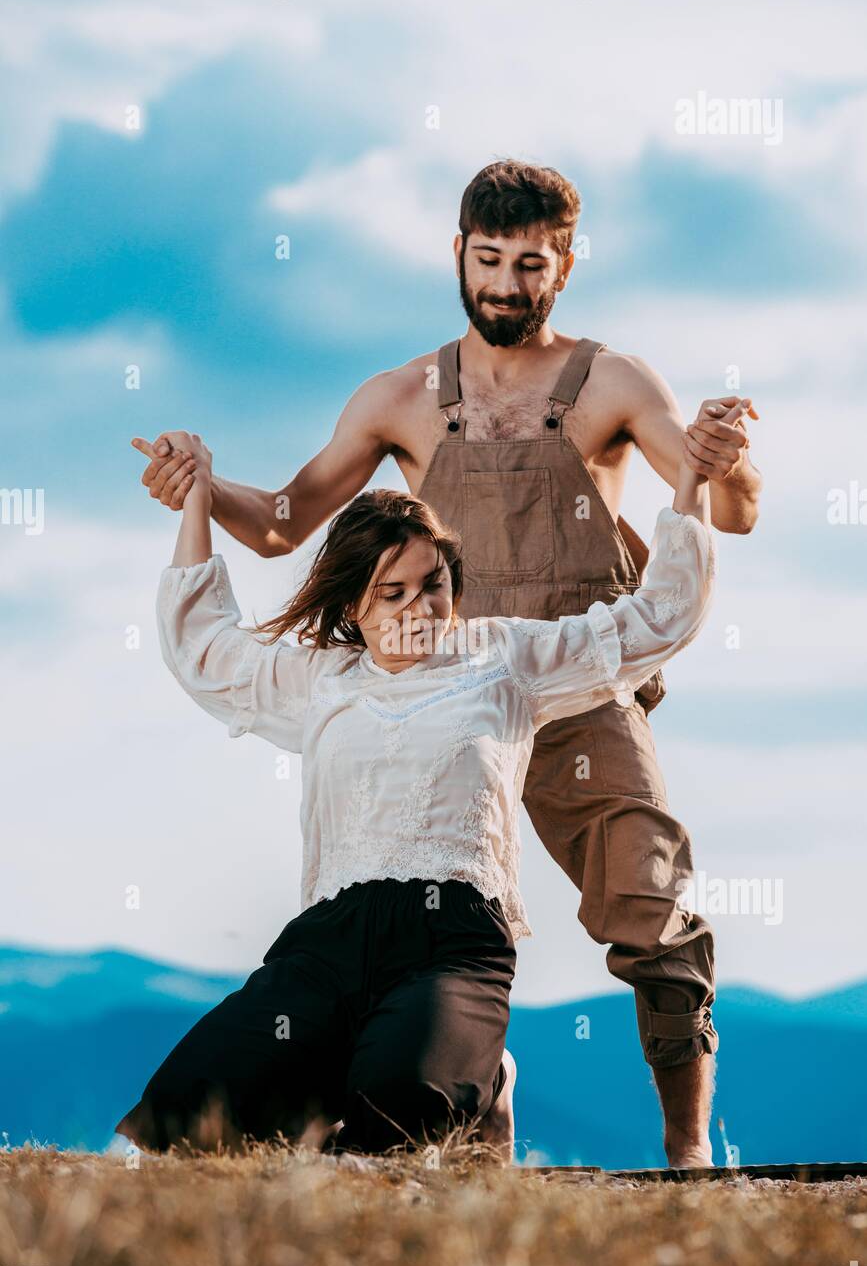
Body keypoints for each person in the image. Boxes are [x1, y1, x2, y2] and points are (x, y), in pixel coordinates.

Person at [133, 158, 761, 1166]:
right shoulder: (402, 397)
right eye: (490, 260)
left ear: (564, 267)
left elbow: (722, 507)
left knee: (650, 900)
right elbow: (287, 523)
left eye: (532, 265)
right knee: (409, 903)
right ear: (457, 254)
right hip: (438, 687)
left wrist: (723, 464)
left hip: (571, 675)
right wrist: (202, 483)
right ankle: (454, 1078)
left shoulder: (614, 381)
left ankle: (690, 1155)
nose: (509, 284)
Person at [116, 431, 716, 1162]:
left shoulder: (505, 658)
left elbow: (653, 619)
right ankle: (332, 1067)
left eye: (432, 584)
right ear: (352, 605)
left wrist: (690, 482)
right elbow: (203, 646)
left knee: (400, 1120)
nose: (417, 607)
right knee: (183, 1120)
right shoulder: (319, 679)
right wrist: (197, 499)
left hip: (455, 941)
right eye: (389, 591)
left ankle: (483, 1077)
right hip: (327, 943)